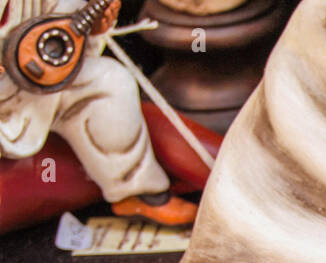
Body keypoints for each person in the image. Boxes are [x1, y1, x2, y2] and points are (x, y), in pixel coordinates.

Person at [0, 0, 197, 224]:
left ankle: (136, 192)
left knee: (109, 80)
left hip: (37, 87)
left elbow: (66, 33)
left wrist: (93, 30)